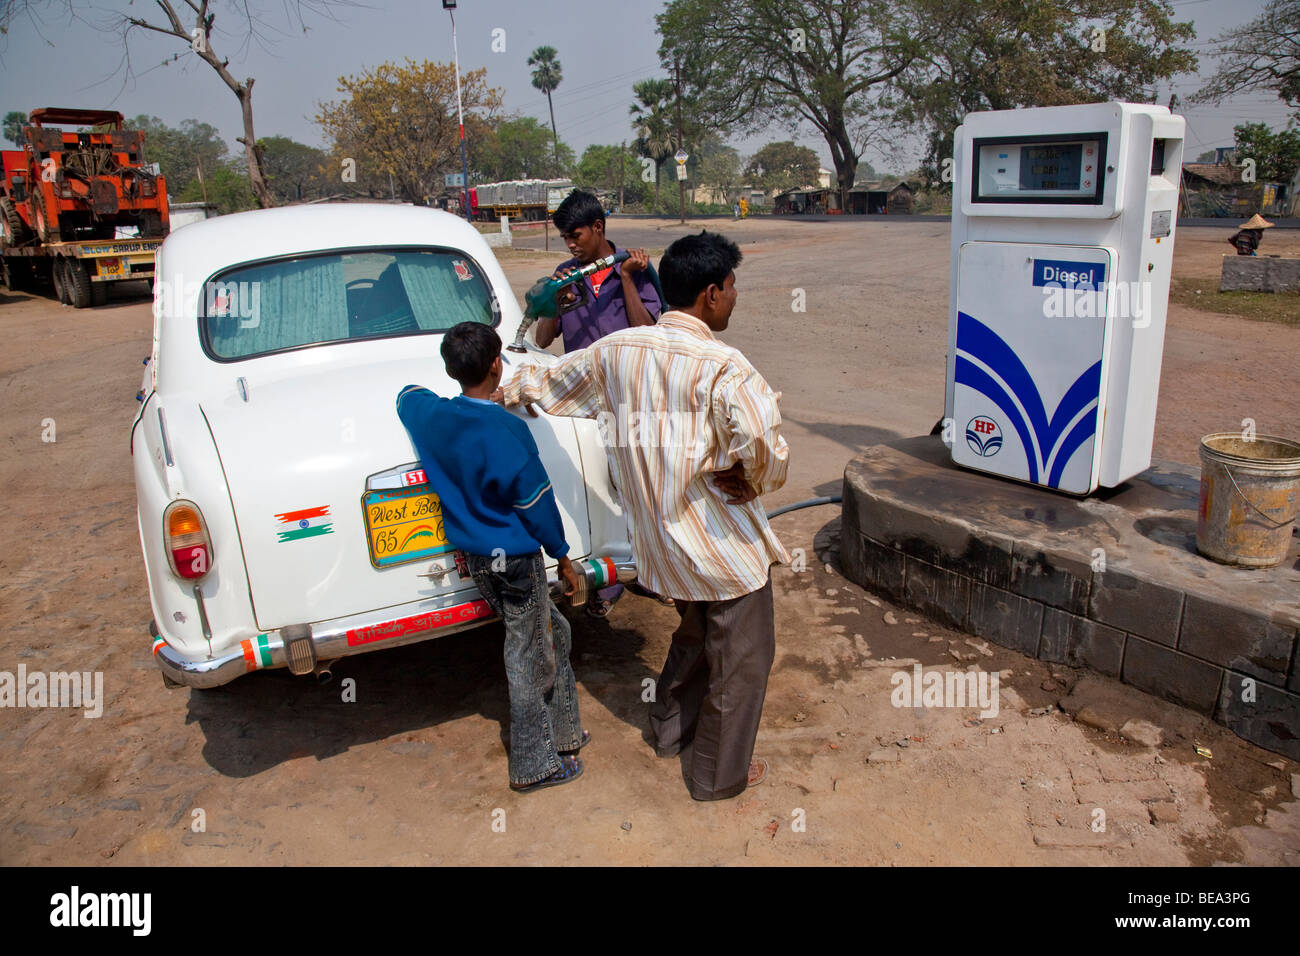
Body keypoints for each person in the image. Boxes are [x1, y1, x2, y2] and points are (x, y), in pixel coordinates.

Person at [498, 231, 790, 801]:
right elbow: (764, 448)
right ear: (710, 294)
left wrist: (496, 388)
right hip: (722, 548)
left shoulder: (618, 350)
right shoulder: (726, 368)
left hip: (660, 546)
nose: (735, 297)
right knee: (742, 664)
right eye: (732, 288)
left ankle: (668, 731)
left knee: (697, 634)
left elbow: (545, 380)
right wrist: (749, 473)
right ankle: (715, 777)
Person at [396, 322, 585, 793]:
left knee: (551, 631)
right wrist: (563, 556)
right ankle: (533, 764)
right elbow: (534, 503)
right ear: (497, 364)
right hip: (518, 561)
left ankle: (562, 732)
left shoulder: (433, 416)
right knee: (526, 655)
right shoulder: (507, 429)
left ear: (451, 370)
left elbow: (406, 394)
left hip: (478, 558)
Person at [534, 188, 666, 618]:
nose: (571, 245)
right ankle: (608, 584)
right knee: (597, 486)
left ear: (598, 228)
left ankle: (652, 571)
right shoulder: (564, 274)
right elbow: (541, 339)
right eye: (565, 238)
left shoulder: (636, 266)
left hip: (630, 393)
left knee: (641, 483)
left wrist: (626, 278)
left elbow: (648, 328)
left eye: (577, 235)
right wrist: (553, 302)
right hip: (584, 402)